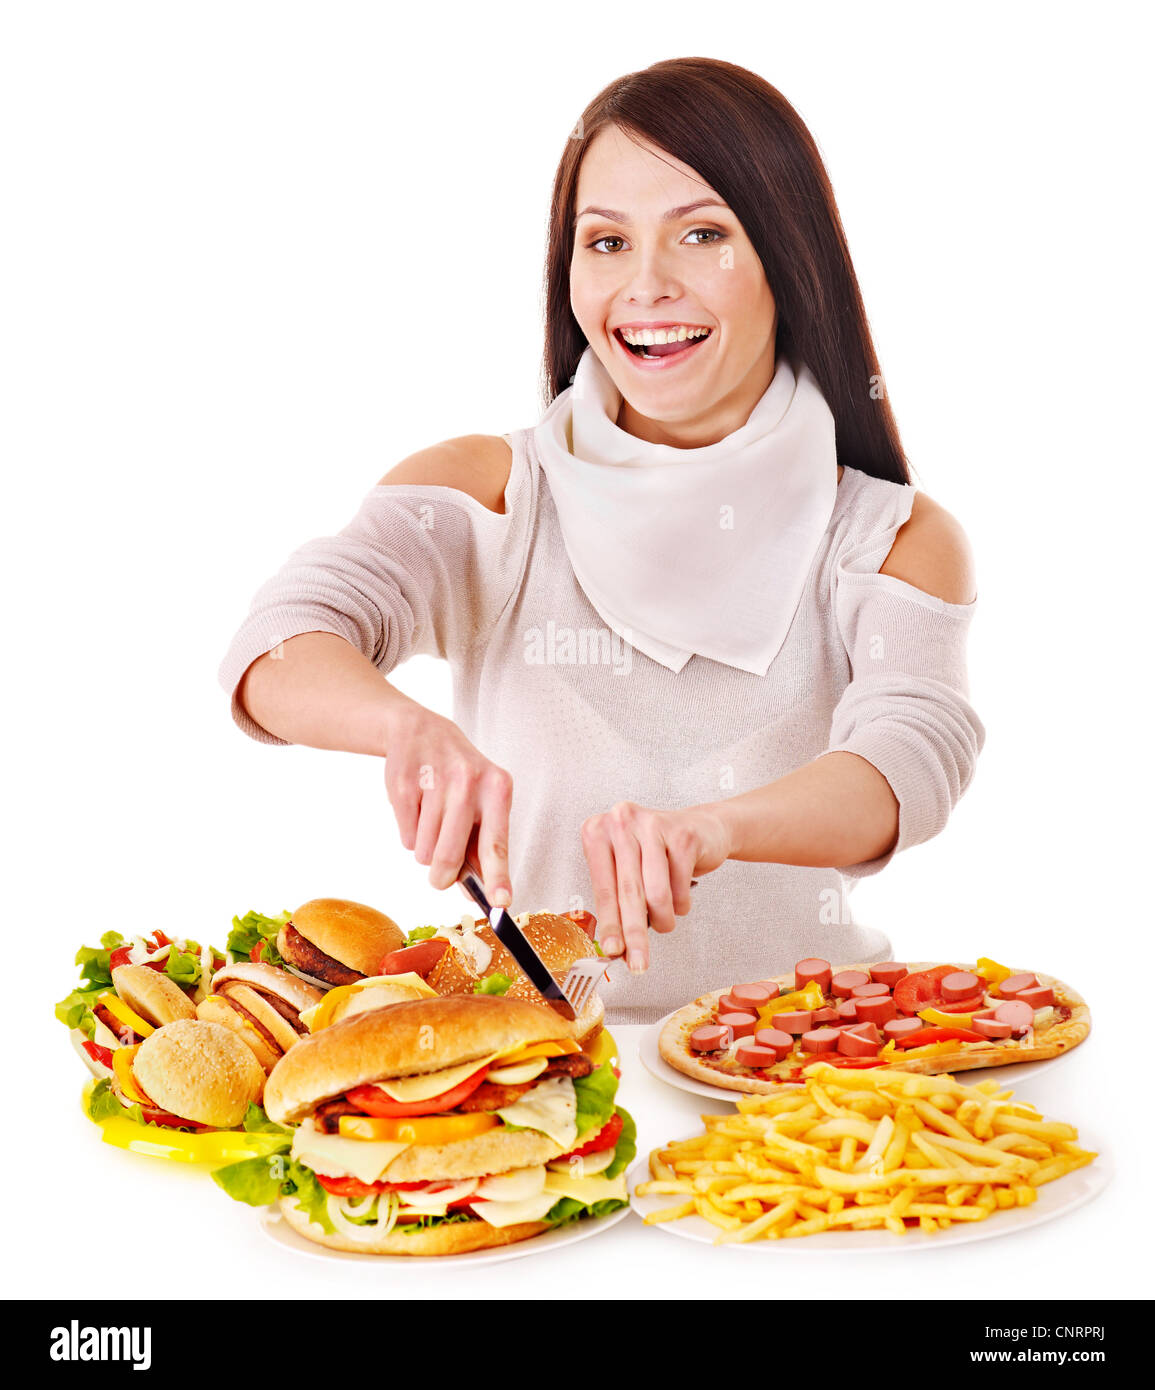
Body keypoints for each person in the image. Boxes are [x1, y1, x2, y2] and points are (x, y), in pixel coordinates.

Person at [218, 57, 984, 1025]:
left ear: (788, 258)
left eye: (702, 234)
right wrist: (402, 728)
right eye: (607, 242)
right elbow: (276, 641)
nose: (647, 286)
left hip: (801, 1073)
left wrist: (716, 829)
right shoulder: (492, 491)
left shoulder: (892, 537)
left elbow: (905, 767)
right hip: (532, 1073)